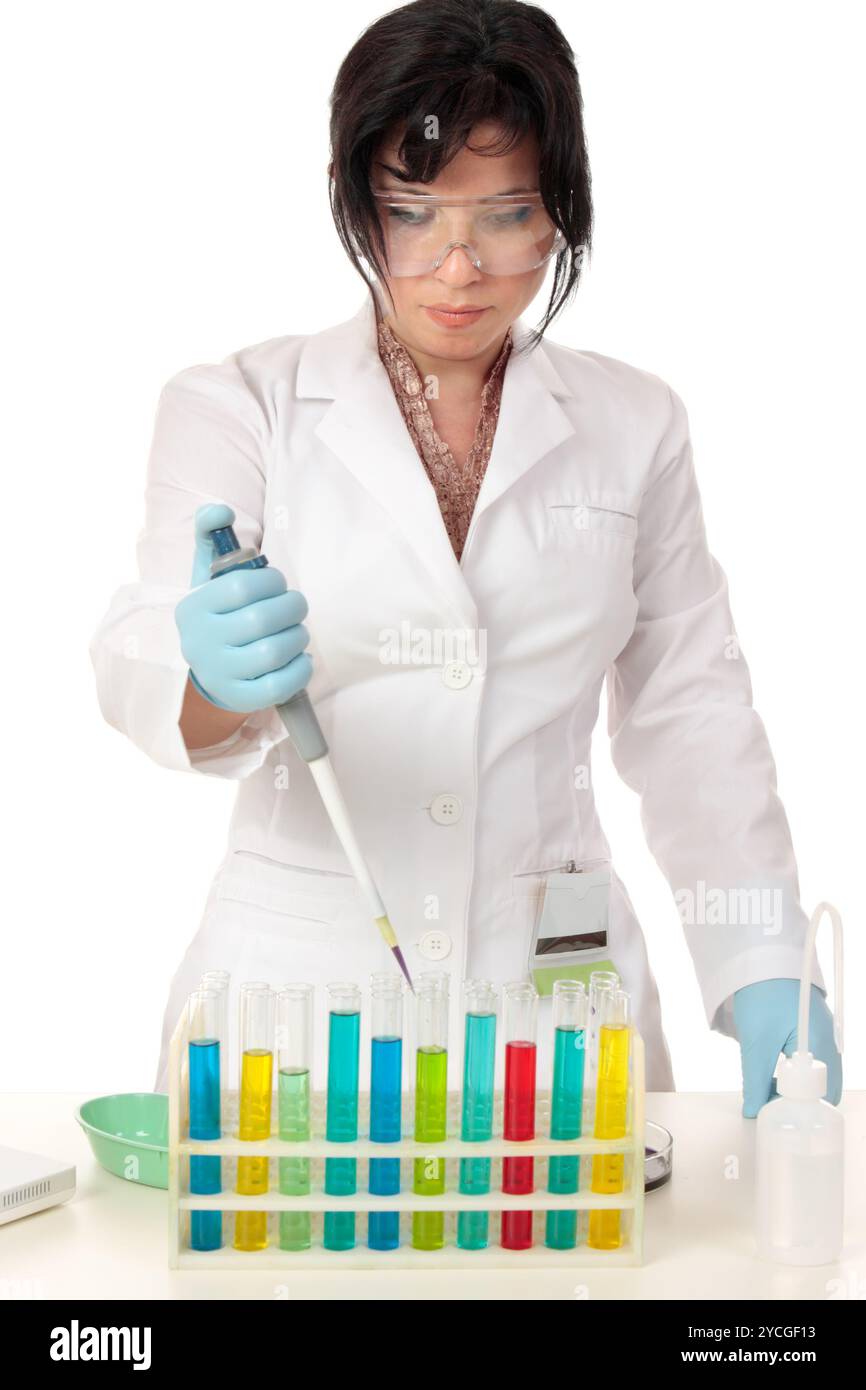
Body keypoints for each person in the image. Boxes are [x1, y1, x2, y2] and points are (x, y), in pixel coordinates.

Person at [90, 0, 841, 1109]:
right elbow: (145, 652)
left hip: (553, 994)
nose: (456, 266)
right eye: (410, 211)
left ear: (556, 218)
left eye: (502, 215)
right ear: (357, 206)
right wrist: (204, 674)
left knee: (588, 1274)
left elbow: (691, 714)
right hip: (299, 999)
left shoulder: (633, 422)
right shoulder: (238, 405)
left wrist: (766, 964)